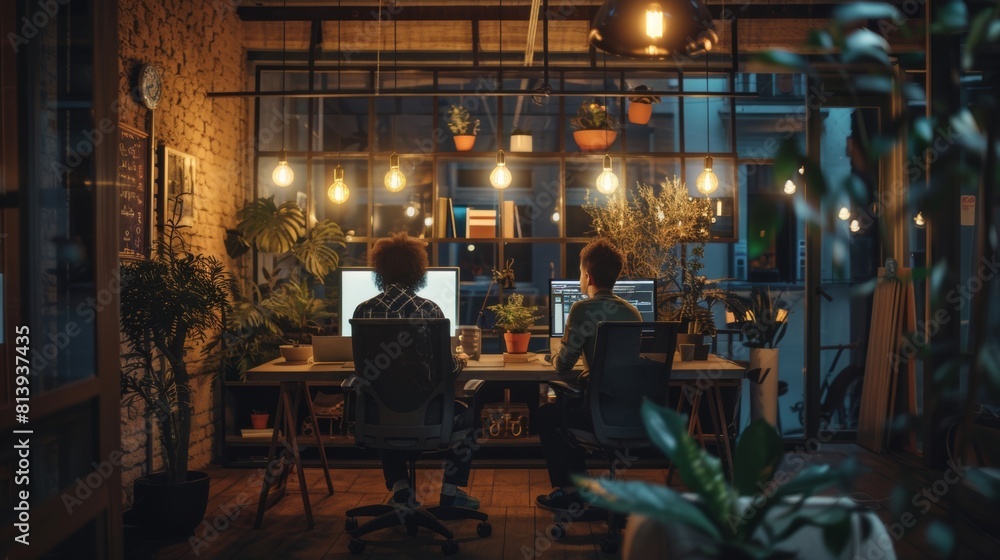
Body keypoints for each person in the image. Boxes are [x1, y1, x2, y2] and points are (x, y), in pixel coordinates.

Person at [353, 232, 480, 510]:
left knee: (385, 400)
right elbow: (446, 370)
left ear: (380, 270)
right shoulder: (430, 310)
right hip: (428, 416)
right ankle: (449, 492)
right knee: (470, 412)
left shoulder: (363, 311)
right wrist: (461, 359)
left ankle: (401, 490)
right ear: (417, 270)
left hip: (378, 415)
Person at [535, 238, 642, 512]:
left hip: (597, 412)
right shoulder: (634, 313)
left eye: (580, 273)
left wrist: (556, 353)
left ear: (587, 276)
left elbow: (562, 366)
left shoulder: (582, 309)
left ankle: (571, 492)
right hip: (629, 412)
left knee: (548, 414)